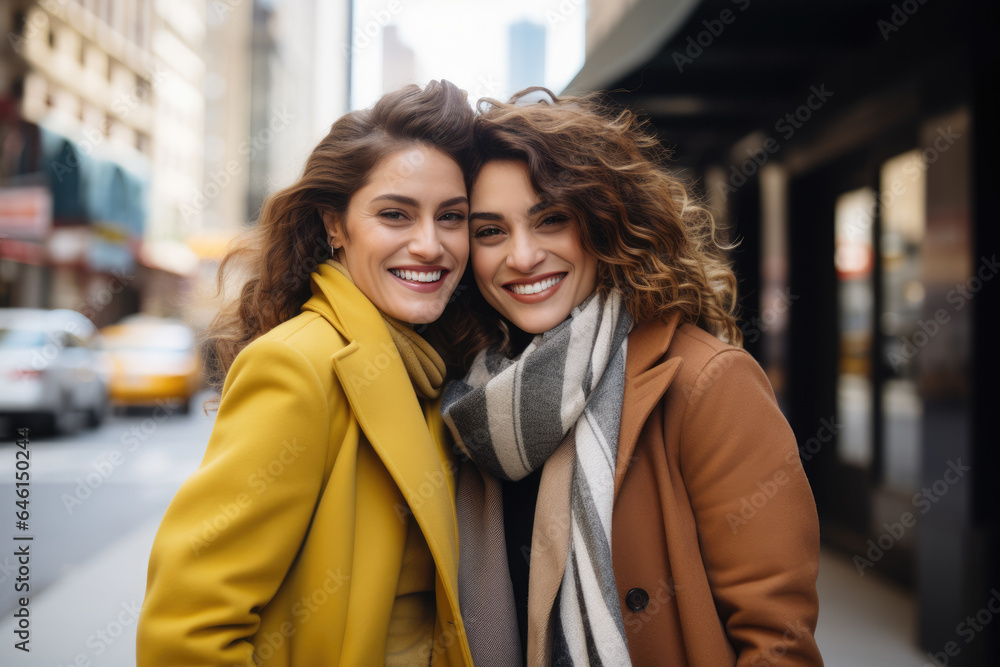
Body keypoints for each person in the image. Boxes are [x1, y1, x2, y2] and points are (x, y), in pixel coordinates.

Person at [441, 88, 823, 666]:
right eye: (490, 231)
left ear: (604, 222)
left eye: (551, 219)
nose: (521, 256)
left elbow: (778, 640)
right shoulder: (463, 391)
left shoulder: (708, 382)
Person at [137, 81, 476, 666]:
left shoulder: (429, 365)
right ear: (334, 226)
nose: (430, 244)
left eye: (453, 218)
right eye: (395, 214)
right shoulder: (297, 366)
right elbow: (183, 633)